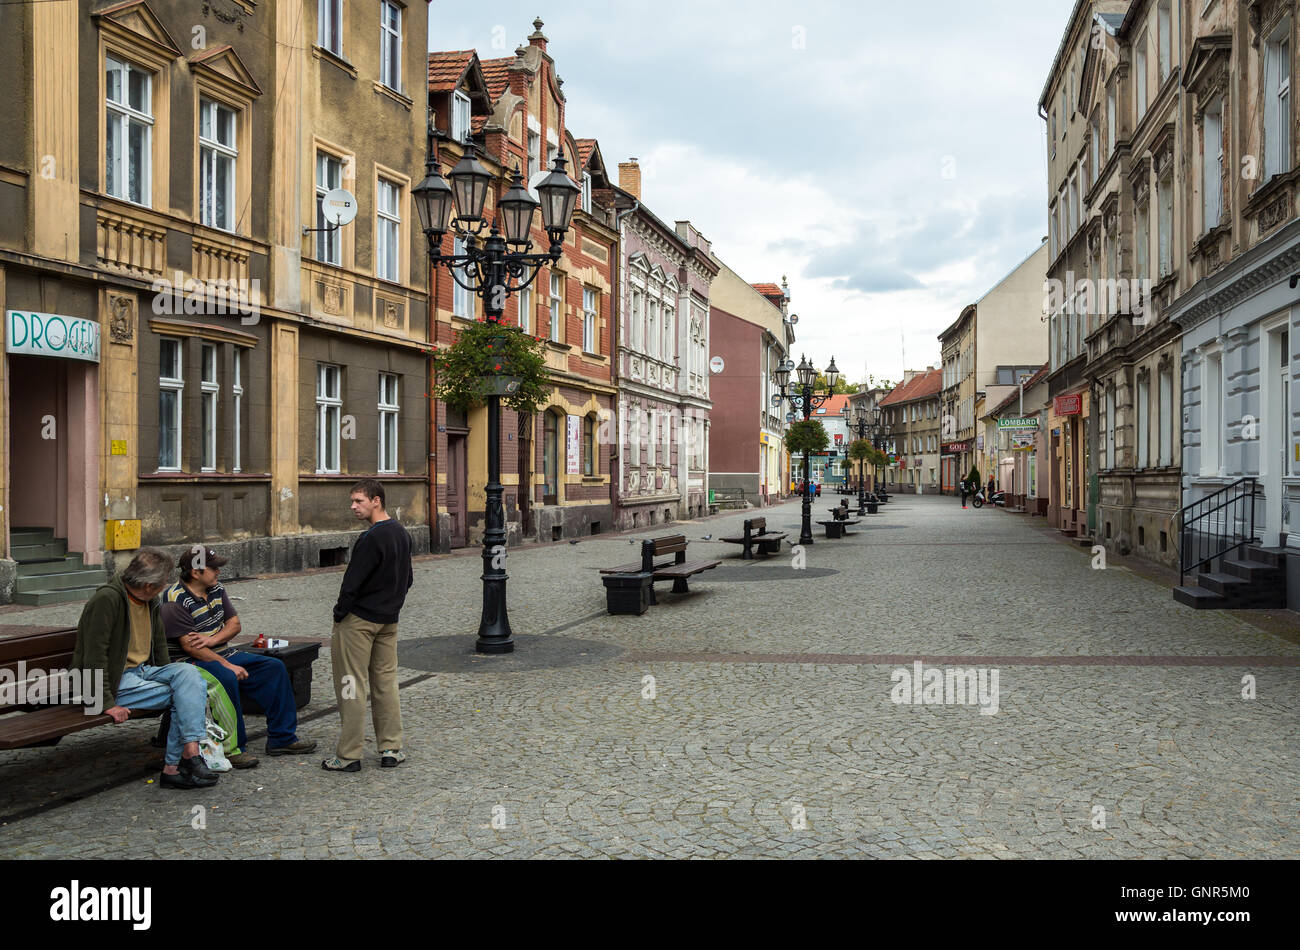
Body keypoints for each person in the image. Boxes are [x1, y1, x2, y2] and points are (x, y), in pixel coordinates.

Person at [72, 548, 218, 789]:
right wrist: (105, 703)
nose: (165, 585)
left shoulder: (150, 601)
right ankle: (177, 765)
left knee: (189, 674)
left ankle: (189, 753)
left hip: (142, 672)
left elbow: (159, 644)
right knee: (182, 695)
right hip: (115, 680)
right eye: (163, 582)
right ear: (149, 585)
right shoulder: (107, 600)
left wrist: (168, 675)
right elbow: (94, 655)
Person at [161, 547, 317, 769]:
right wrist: (225, 664)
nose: (218, 572)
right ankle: (232, 748)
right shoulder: (174, 600)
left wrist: (212, 640)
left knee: (274, 668)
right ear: (195, 573)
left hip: (222, 652)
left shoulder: (216, 588)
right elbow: (191, 648)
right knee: (226, 679)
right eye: (213, 568)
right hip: (190, 662)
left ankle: (282, 738)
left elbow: (234, 624)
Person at [323, 479, 414, 773]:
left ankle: (349, 754)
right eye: (352, 501)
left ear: (377, 500)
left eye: (358, 500)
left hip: (359, 621)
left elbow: (351, 583)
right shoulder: (401, 533)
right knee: (386, 683)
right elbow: (408, 579)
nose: (353, 506)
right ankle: (391, 748)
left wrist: (340, 614)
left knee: (351, 684)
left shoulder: (371, 538)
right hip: (389, 620)